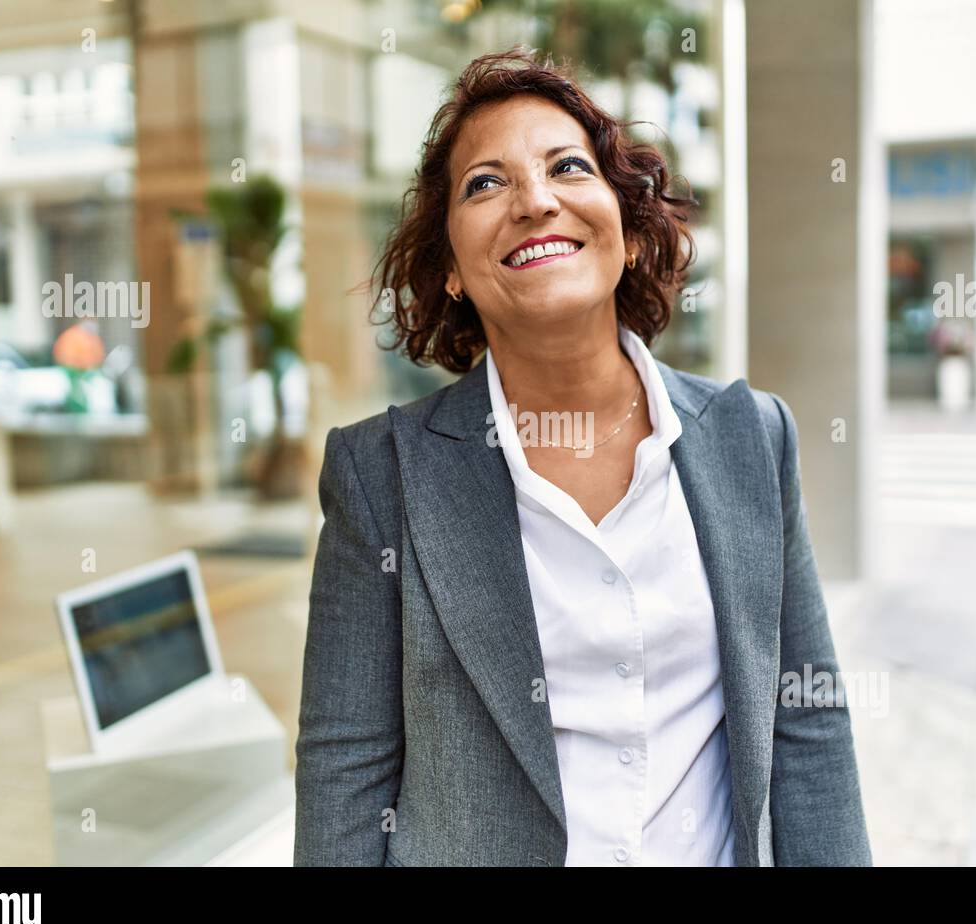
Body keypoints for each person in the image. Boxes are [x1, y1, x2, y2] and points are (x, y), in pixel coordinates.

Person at [294, 46, 871, 867]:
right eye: (485, 183)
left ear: (629, 233)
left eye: (567, 167)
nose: (534, 201)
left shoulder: (752, 437)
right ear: (452, 270)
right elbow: (345, 761)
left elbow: (806, 719)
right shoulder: (379, 474)